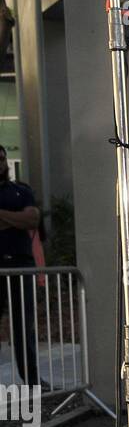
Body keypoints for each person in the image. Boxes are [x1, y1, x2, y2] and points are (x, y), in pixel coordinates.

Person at [0, 145, 44, 389]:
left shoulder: (20, 190)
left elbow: (32, 219)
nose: (1, 163)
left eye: (3, 159)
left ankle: (33, 381)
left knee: (23, 327)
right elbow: (23, 219)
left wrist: (3, 216)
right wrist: (14, 219)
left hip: (20, 264)